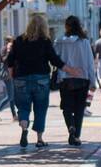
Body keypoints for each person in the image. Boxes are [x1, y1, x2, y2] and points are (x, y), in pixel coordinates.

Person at [5, 13, 67, 151]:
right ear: (44, 26)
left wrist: (12, 75)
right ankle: (39, 139)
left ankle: (24, 125)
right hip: (41, 79)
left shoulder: (19, 40)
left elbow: (10, 60)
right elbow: (54, 59)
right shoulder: (45, 41)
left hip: (21, 78)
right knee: (40, 108)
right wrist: (69, 69)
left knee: (23, 107)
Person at [55, 16, 97, 146]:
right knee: (79, 108)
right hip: (82, 79)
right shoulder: (84, 42)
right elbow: (90, 63)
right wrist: (93, 81)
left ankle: (70, 128)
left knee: (66, 107)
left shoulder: (59, 41)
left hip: (65, 79)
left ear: (67, 26)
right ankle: (76, 135)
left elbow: (55, 60)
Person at [0, 38, 17, 122]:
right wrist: (8, 51)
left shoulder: (12, 49)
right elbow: (4, 60)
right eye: (12, 42)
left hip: (11, 74)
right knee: (10, 96)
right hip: (7, 75)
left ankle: (14, 115)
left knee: (12, 96)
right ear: (7, 42)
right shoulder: (4, 49)